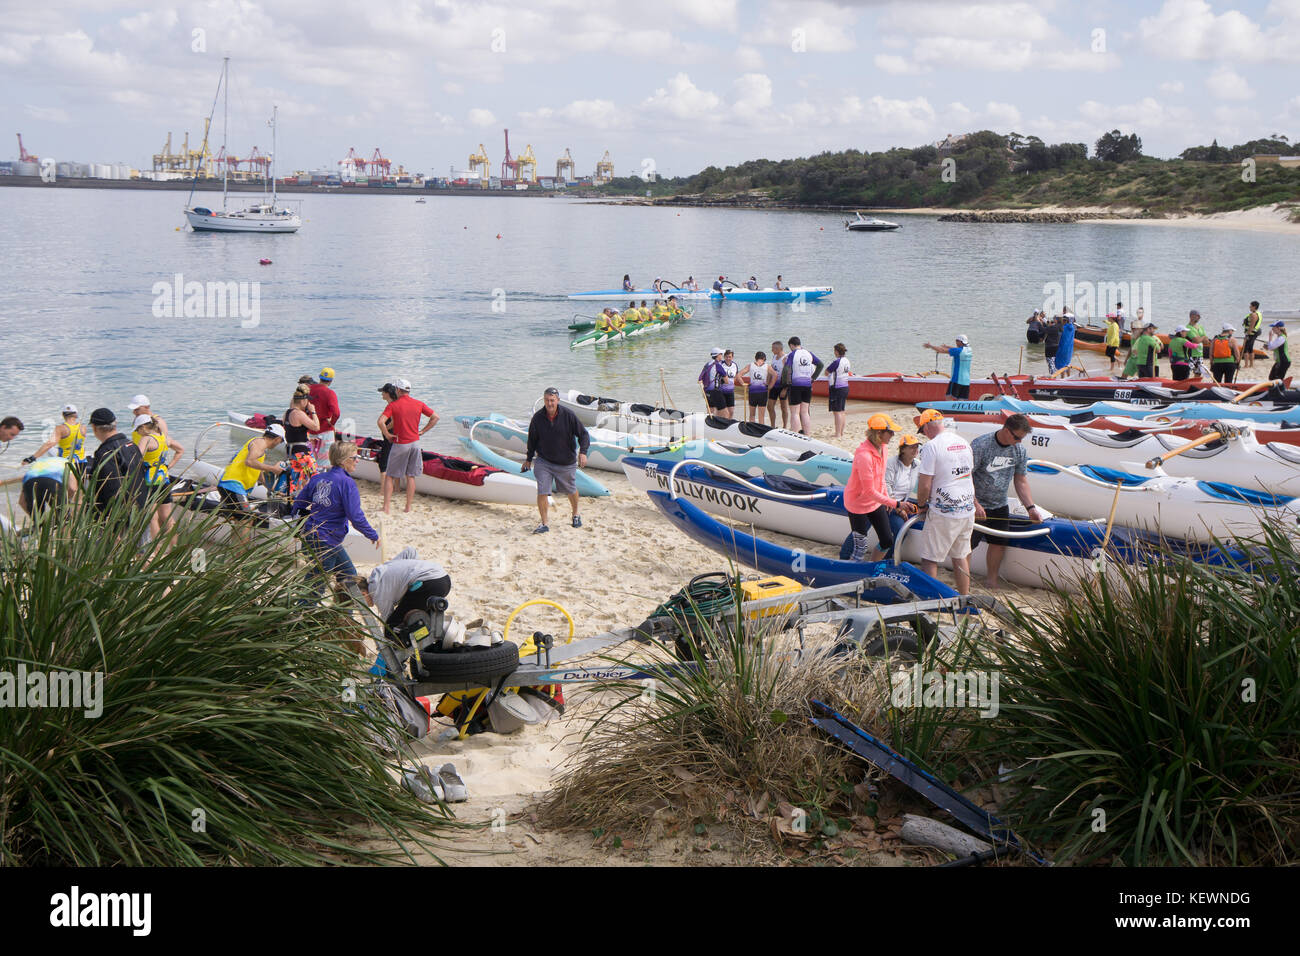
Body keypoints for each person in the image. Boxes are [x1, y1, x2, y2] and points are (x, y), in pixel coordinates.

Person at [292, 441, 380, 601]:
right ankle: (300, 616)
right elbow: (355, 517)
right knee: (316, 584)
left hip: (311, 534)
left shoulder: (318, 478)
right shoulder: (347, 483)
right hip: (327, 539)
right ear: (343, 460)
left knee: (348, 574)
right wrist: (373, 535)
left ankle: (343, 615)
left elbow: (298, 503)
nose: (357, 460)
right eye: (355, 457)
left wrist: (297, 528)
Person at [969, 414, 1043, 590]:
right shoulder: (981, 445)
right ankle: (963, 580)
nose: (1018, 442)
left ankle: (991, 581)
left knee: (999, 544)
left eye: (1021, 438)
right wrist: (975, 503)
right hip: (976, 504)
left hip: (999, 504)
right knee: (968, 545)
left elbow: (1020, 480)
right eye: (1016, 437)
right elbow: (965, 477)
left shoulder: (1019, 450)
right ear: (1005, 429)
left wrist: (1030, 508)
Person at [913, 409, 975, 596]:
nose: (924, 434)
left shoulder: (931, 446)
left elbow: (924, 485)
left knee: (930, 559)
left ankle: (931, 601)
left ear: (926, 427)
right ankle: (964, 598)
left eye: (922, 431)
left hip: (944, 512)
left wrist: (921, 504)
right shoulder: (963, 442)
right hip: (967, 508)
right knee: (960, 556)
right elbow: (967, 475)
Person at [844, 414, 917, 562]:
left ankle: (872, 566)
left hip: (875, 502)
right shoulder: (864, 456)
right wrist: (896, 503)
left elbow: (881, 478)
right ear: (879, 433)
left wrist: (887, 498)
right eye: (890, 432)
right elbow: (869, 491)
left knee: (887, 541)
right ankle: (847, 568)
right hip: (857, 504)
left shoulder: (883, 448)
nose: (892, 435)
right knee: (860, 547)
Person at [522, 387, 589, 534]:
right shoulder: (538, 418)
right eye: (546, 400)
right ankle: (544, 523)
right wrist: (528, 459)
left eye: (552, 400)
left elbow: (583, 435)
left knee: (570, 490)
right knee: (542, 491)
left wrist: (583, 452)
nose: (549, 403)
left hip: (566, 462)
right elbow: (532, 440)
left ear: (558, 400)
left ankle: (576, 514)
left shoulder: (569, 415)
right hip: (544, 461)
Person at [356, 547, 451, 640]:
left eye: (357, 605)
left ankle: (405, 650)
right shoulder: (380, 572)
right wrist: (413, 571)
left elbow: (387, 622)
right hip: (444, 578)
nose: (360, 607)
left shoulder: (377, 594)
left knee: (392, 628)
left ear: (364, 594)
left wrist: (387, 640)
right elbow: (410, 552)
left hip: (431, 585)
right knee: (417, 617)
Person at [218, 423, 287, 540]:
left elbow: (259, 475)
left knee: (241, 520)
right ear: (277, 438)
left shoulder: (260, 447)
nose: (278, 444)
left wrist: (272, 490)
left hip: (231, 485)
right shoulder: (260, 442)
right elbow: (249, 461)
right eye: (280, 442)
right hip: (232, 485)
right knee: (247, 519)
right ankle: (240, 554)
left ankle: (234, 551)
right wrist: (273, 469)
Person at [379, 378, 438, 514]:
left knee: (390, 476)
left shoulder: (394, 405)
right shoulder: (418, 403)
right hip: (415, 444)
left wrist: (387, 434)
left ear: (397, 390)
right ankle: (407, 507)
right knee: (410, 476)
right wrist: (422, 431)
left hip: (401, 444)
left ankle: (386, 507)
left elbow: (380, 422)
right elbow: (435, 417)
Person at [85, 407, 151, 519]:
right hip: (139, 509)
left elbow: (110, 488)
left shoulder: (106, 452)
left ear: (94, 428)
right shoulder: (131, 445)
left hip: (119, 516)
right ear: (115, 424)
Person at [133, 413, 183, 541]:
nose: (138, 433)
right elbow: (180, 450)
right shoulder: (164, 438)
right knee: (167, 516)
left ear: (143, 427)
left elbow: (136, 459)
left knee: (152, 517)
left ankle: (154, 551)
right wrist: (169, 466)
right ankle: (173, 548)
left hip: (150, 482)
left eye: (138, 429)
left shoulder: (146, 439)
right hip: (164, 479)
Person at [22, 405, 87, 475]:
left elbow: (49, 444)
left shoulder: (60, 428)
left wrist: (32, 458)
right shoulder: (83, 428)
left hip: (66, 463)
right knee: (80, 484)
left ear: (63, 415)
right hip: (82, 462)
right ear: (76, 415)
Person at [784, 336, 823, 436]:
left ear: (791, 345)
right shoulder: (808, 353)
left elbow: (786, 369)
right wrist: (813, 378)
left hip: (795, 385)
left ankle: (795, 435)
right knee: (804, 412)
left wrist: (786, 384)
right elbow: (821, 365)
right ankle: (807, 434)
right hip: (807, 385)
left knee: (795, 412)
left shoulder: (792, 354)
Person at [308, 368, 341, 465]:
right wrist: (332, 423)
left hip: (310, 429)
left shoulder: (310, 389)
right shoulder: (330, 393)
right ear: (331, 380)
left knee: (309, 462)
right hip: (325, 430)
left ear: (319, 377)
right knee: (324, 464)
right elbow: (336, 413)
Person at [284, 384, 320, 459]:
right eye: (307, 401)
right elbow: (316, 427)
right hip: (301, 454)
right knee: (309, 471)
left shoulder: (287, 413)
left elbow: (293, 432)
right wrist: (313, 411)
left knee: (293, 470)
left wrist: (306, 438)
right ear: (303, 401)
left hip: (290, 450)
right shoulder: (299, 414)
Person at [824, 343, 852, 438]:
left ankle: (838, 433)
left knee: (837, 412)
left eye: (834, 351)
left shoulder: (837, 362)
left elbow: (826, 372)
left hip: (837, 388)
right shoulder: (847, 360)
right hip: (845, 386)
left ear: (836, 351)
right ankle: (841, 432)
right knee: (842, 410)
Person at [885, 434, 922, 502]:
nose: (915, 449)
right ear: (902, 449)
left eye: (916, 446)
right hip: (890, 503)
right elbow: (886, 485)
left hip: (906, 502)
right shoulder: (891, 462)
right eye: (911, 447)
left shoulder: (918, 464)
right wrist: (897, 506)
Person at [738, 351, 769, 424]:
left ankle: (751, 429)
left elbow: (738, 375)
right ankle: (761, 431)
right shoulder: (767, 366)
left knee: (752, 415)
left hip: (752, 392)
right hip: (763, 392)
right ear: (764, 358)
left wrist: (743, 384)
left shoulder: (750, 365)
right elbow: (775, 375)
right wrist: (769, 385)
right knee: (761, 416)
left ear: (755, 358)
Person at [765, 341, 789, 428]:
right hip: (773, 386)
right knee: (770, 406)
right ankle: (772, 426)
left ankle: (785, 427)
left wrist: (785, 389)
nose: (771, 350)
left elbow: (789, 374)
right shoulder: (774, 356)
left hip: (782, 386)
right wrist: (767, 384)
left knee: (784, 407)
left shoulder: (786, 358)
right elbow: (770, 371)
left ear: (778, 349)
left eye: (773, 348)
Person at [699, 347, 726, 412]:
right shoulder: (718, 365)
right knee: (724, 411)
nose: (722, 355)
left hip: (706, 391)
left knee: (710, 410)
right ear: (718, 355)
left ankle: (709, 421)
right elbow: (727, 381)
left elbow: (700, 379)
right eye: (721, 354)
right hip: (715, 391)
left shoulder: (707, 364)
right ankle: (721, 422)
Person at [715, 349, 739, 420]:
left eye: (730, 357)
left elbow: (736, 376)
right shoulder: (721, 364)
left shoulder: (735, 365)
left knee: (731, 411)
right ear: (724, 357)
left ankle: (728, 424)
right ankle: (718, 422)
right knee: (721, 411)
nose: (728, 358)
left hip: (730, 391)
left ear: (732, 357)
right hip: (721, 391)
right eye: (726, 357)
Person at [1185, 310, 1209, 376]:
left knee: (1198, 372)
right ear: (1191, 316)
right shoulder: (1188, 328)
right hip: (1191, 354)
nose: (1199, 317)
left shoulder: (1200, 327)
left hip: (1199, 354)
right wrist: (1202, 337)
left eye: (1199, 316)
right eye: (1197, 316)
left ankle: (1195, 383)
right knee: (1187, 371)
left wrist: (1202, 338)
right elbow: (1196, 340)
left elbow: (1206, 341)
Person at [1243, 301, 1262, 369]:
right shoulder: (1257, 313)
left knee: (1245, 349)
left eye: (1250, 306)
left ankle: (1246, 365)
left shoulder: (1254, 315)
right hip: (1253, 333)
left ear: (1254, 307)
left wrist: (1247, 335)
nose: (1249, 307)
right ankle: (1251, 365)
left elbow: (1251, 326)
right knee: (1250, 348)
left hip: (1251, 334)